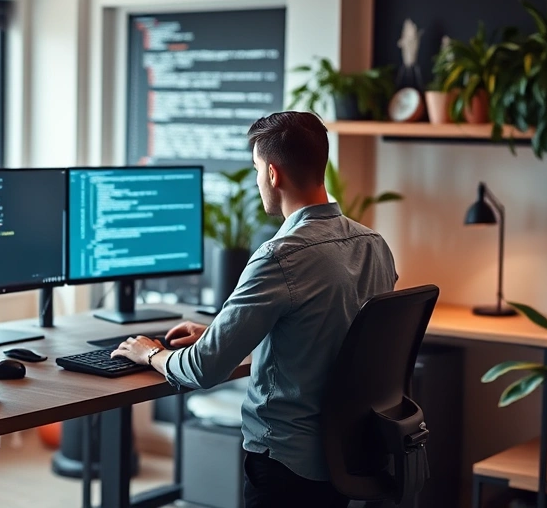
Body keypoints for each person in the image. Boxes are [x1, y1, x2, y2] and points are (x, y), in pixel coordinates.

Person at [110, 111, 398, 508]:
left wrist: (151, 353)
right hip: (347, 455)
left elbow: (202, 368)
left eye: (256, 169)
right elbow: (328, 340)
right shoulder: (374, 244)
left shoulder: (280, 257)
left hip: (287, 464)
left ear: (274, 174)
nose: (259, 179)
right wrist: (224, 333)